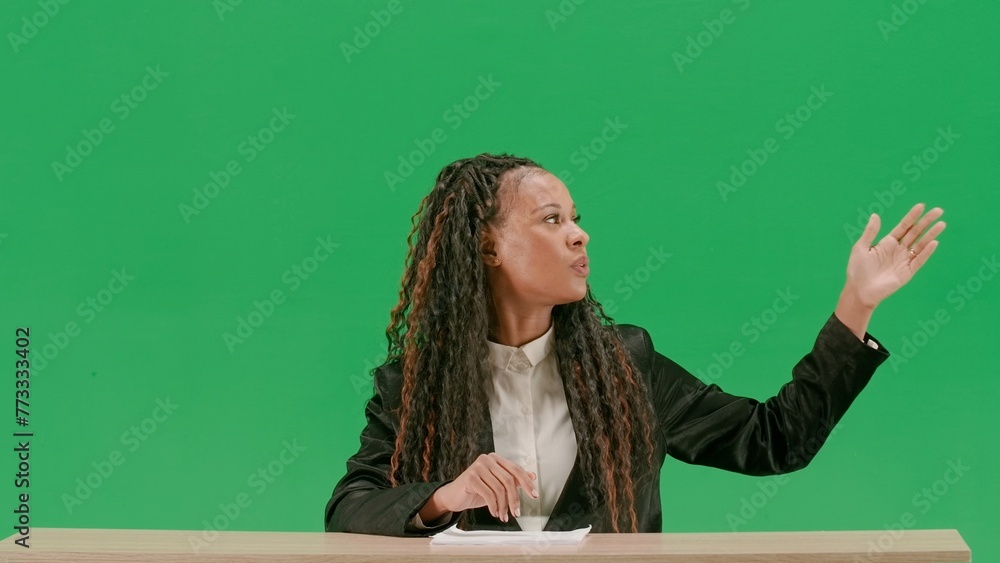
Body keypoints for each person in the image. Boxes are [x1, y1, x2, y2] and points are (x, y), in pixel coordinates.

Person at [324, 153, 945, 536]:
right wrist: (445, 497)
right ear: (487, 246)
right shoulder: (413, 384)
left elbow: (773, 441)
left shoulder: (626, 366)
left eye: (575, 216)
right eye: (551, 219)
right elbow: (350, 508)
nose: (579, 234)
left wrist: (856, 304)